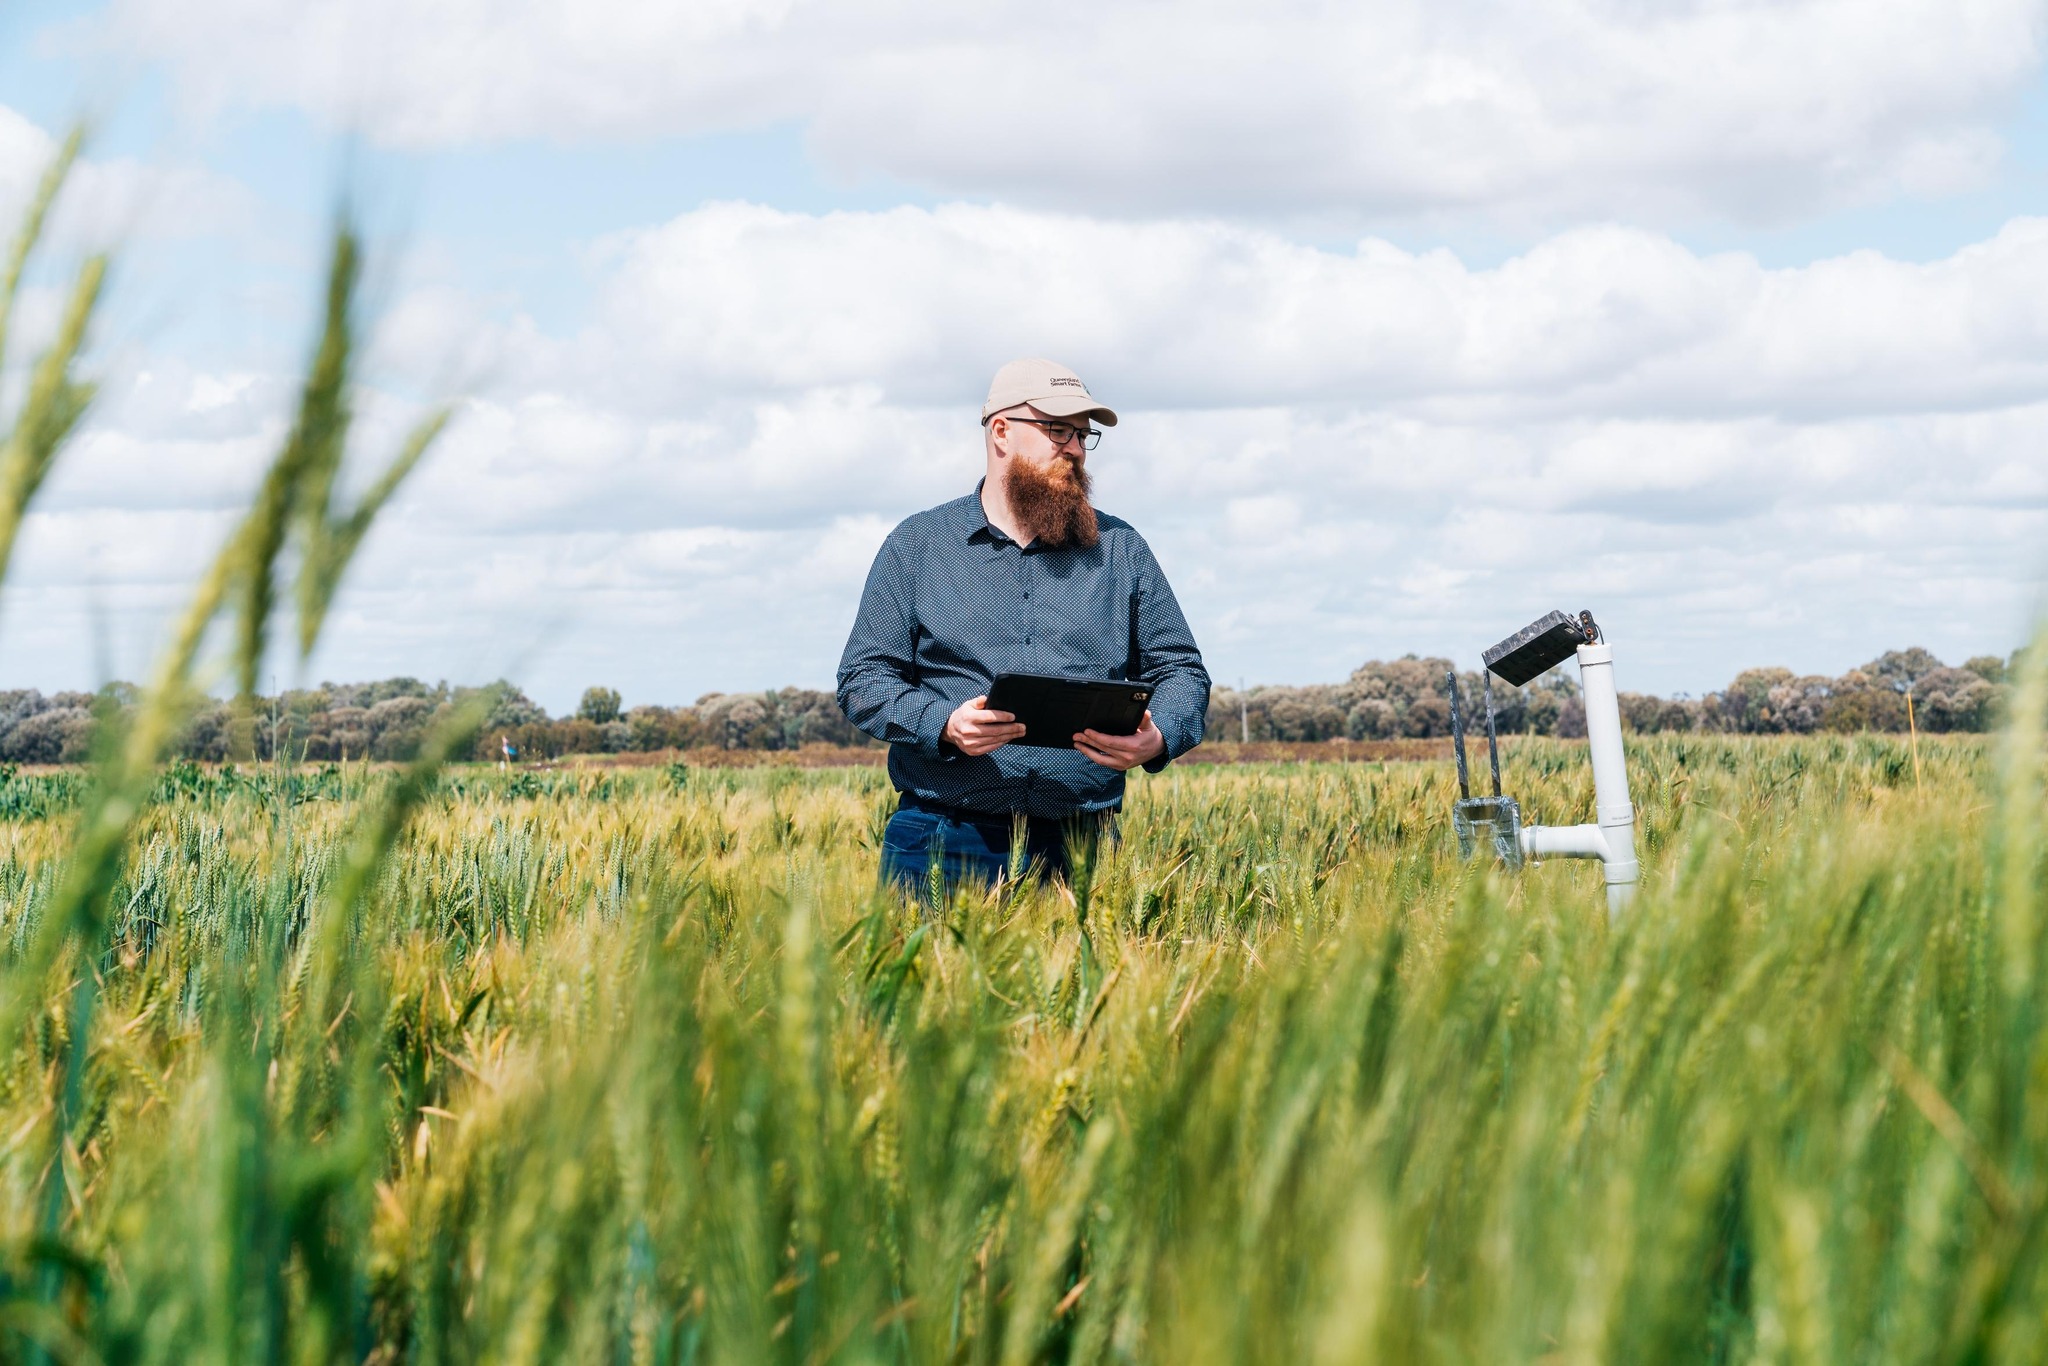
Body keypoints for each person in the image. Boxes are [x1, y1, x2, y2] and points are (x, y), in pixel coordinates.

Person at [836, 358, 1210, 894]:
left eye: (1083, 434)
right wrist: (943, 723)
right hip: (943, 840)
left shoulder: (1122, 549)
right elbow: (863, 680)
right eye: (1058, 429)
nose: (1075, 448)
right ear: (1002, 432)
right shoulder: (917, 546)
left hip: (1086, 848)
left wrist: (1158, 737)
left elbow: (1181, 671)